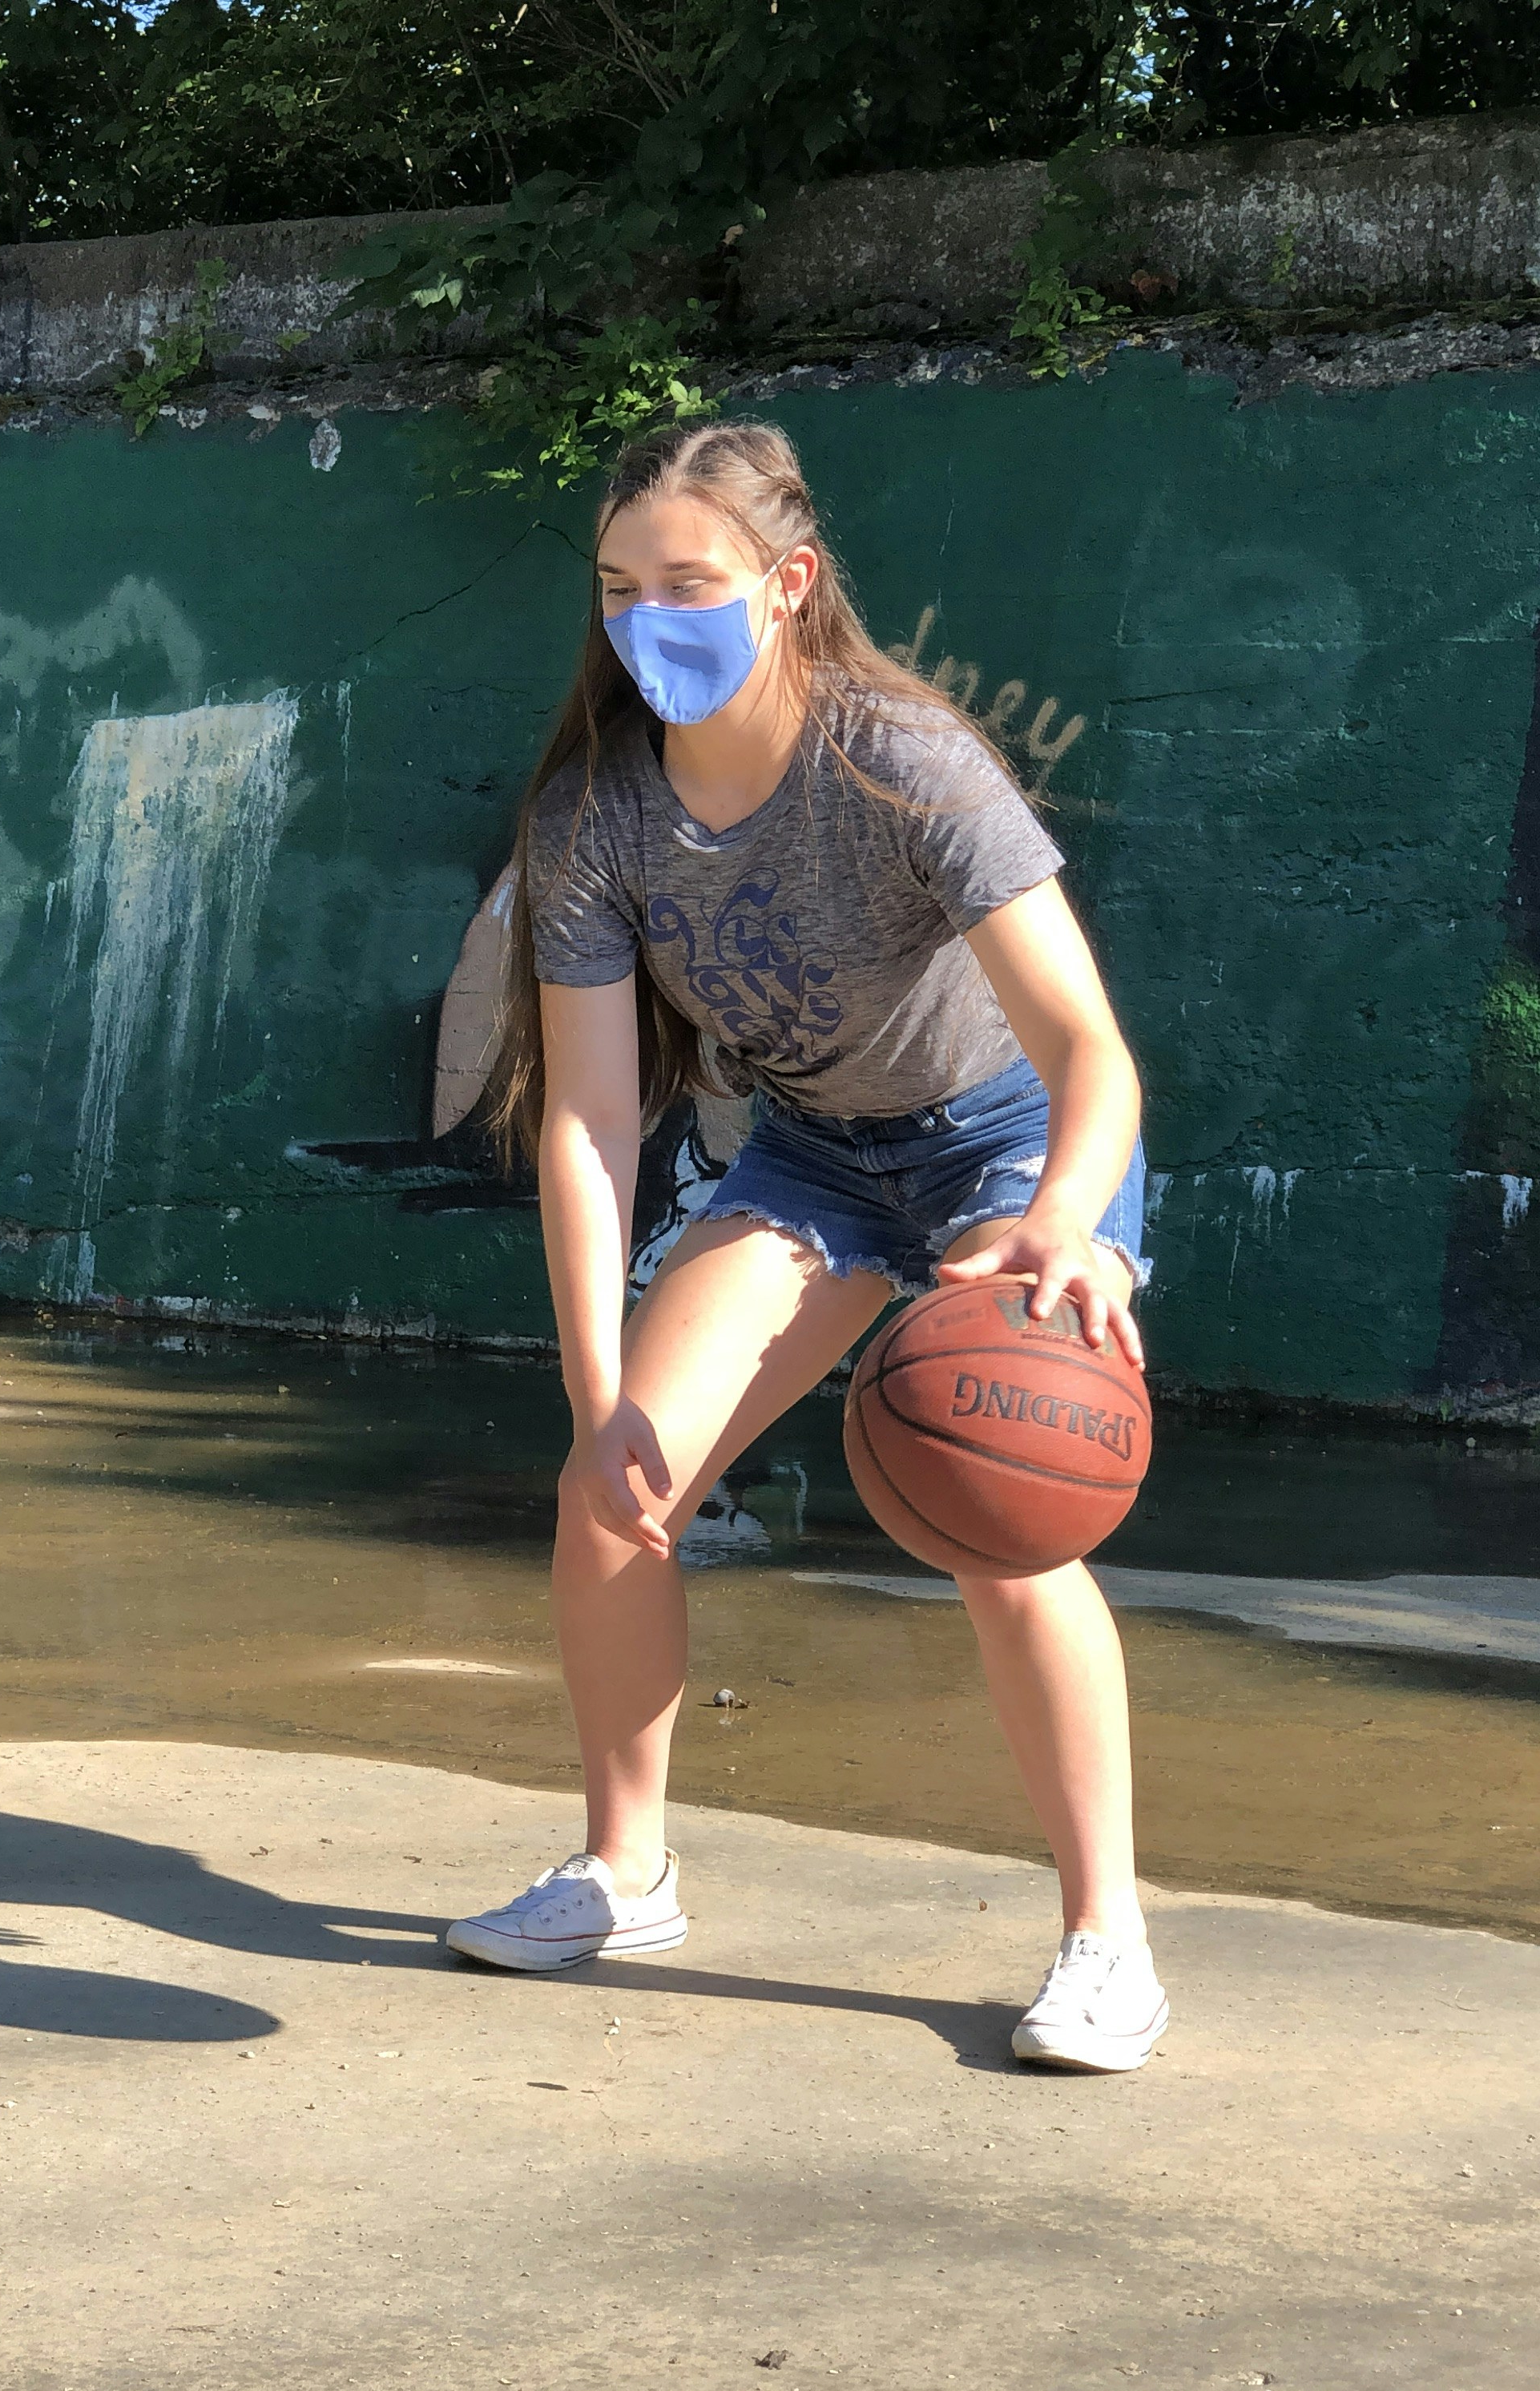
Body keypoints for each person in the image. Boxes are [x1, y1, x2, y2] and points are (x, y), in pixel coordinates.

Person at [441, 416, 1167, 2074]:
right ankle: (625, 1872)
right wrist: (596, 1381)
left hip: (1014, 1149)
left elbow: (1093, 1057)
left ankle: (1104, 1941)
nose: (645, 620)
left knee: (1005, 1511)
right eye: (617, 588)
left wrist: (1063, 1224)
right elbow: (589, 1122)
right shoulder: (597, 819)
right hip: (824, 1158)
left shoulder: (900, 759)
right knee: (615, 1493)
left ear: (787, 584)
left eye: (684, 584)